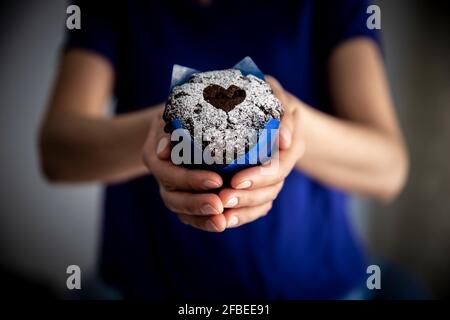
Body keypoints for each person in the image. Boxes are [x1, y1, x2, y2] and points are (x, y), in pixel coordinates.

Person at [38, 0, 408, 299]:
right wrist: (162, 129)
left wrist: (288, 123)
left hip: (316, 287)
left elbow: (388, 169)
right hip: (142, 285)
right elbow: (57, 152)